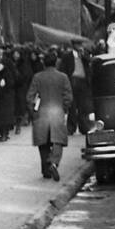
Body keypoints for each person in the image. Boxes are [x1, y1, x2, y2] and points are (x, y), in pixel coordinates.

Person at [26, 52, 74, 181]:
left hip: (41, 113)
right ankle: (54, 162)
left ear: (43, 63)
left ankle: (46, 170)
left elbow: (30, 96)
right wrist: (64, 108)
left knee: (43, 142)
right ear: (56, 63)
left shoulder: (37, 77)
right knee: (58, 140)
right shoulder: (63, 77)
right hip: (57, 112)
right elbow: (68, 96)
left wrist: (33, 111)